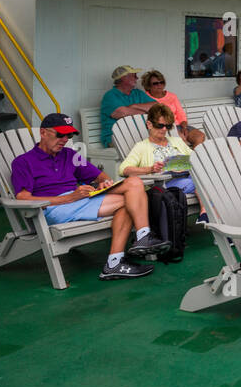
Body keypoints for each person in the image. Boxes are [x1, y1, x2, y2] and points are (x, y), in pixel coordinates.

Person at [11, 112, 168, 280]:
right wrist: (70, 197)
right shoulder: (23, 162)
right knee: (131, 200)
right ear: (43, 133)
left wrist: (104, 182)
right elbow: (22, 198)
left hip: (80, 201)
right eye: (60, 134)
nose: (65, 139)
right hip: (52, 209)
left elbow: (100, 175)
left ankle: (133, 246)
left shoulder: (70, 156)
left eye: (69, 135)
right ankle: (120, 259)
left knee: (134, 183)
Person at [119, 103, 195, 196]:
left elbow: (196, 158)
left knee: (201, 179)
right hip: (163, 186)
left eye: (168, 126)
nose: (164, 129)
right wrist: (151, 169)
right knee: (202, 183)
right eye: (160, 125)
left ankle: (204, 210)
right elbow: (124, 169)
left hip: (187, 178)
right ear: (149, 124)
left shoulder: (177, 141)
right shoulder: (141, 147)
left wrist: (184, 165)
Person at [141, 70, 204, 148]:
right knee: (180, 142)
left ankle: (193, 158)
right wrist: (173, 131)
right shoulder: (144, 98)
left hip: (179, 126)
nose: (159, 85)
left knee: (200, 137)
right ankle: (186, 159)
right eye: (155, 83)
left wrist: (184, 128)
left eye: (162, 82)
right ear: (148, 85)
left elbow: (181, 114)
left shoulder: (172, 96)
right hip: (162, 128)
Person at [100, 65, 156, 148]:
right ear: (124, 78)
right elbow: (122, 113)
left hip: (139, 136)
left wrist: (134, 106)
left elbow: (157, 106)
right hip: (117, 138)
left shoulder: (137, 93)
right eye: (134, 76)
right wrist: (145, 112)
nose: (137, 78)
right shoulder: (110, 96)